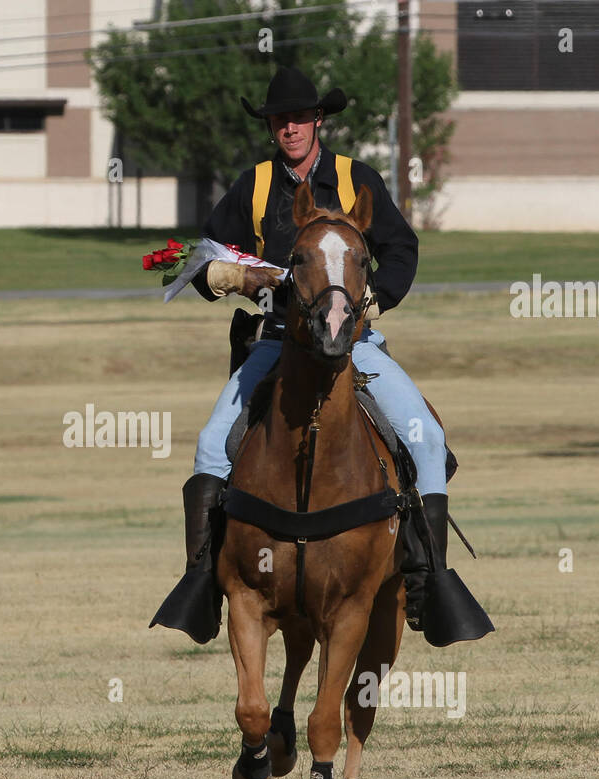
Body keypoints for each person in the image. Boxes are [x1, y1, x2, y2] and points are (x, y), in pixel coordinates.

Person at [150, 65, 453, 645]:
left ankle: (430, 580)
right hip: (277, 341)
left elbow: (400, 248)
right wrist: (221, 276)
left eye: (299, 118)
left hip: (355, 344)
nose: (289, 128)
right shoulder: (254, 185)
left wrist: (377, 299)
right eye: (279, 120)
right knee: (212, 444)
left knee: (427, 438)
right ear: (271, 127)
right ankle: (201, 584)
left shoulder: (357, 179)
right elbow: (205, 255)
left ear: (318, 121)